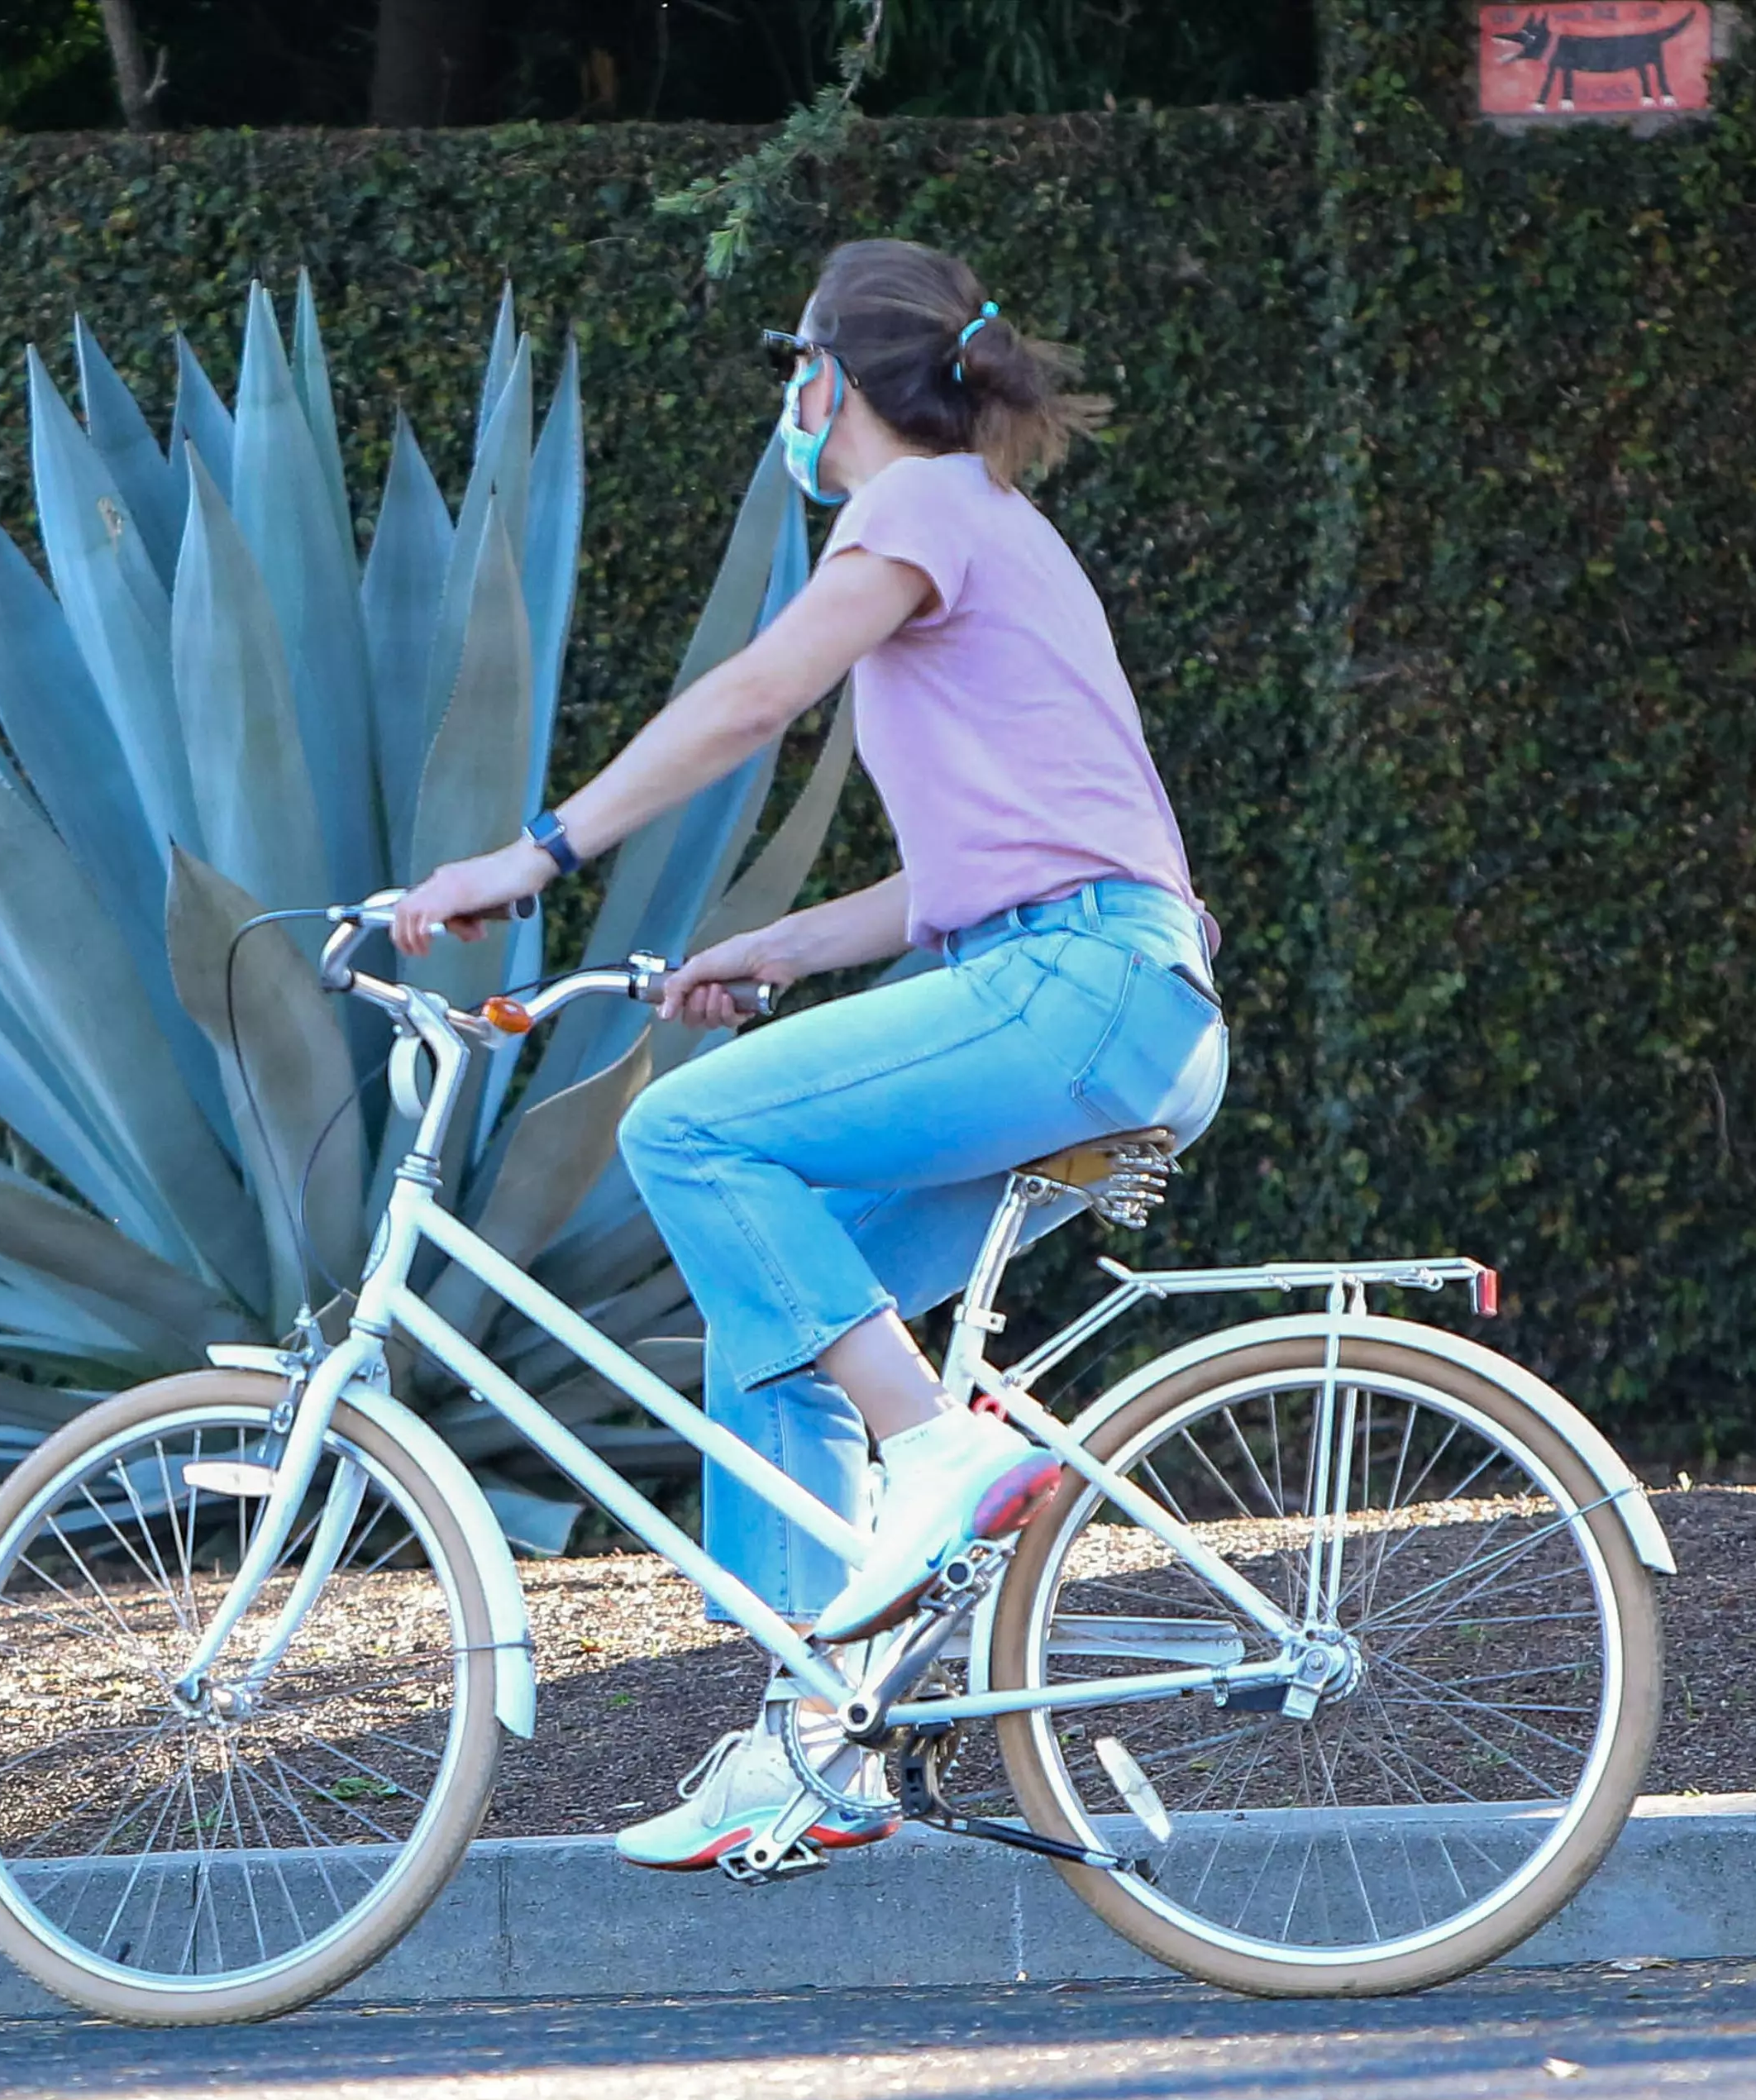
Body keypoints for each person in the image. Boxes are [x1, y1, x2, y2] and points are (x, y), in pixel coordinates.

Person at [391, 236, 1226, 1870]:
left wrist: (530, 856)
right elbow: (978, 872)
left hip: (1074, 989)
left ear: (827, 380)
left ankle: (939, 1452)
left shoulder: (910, 505)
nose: (793, 399)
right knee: (783, 1308)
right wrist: (777, 946)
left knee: (693, 1140)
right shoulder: (1000, 527)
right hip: (1110, 996)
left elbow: (755, 696)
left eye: (798, 370)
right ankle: (810, 1739)